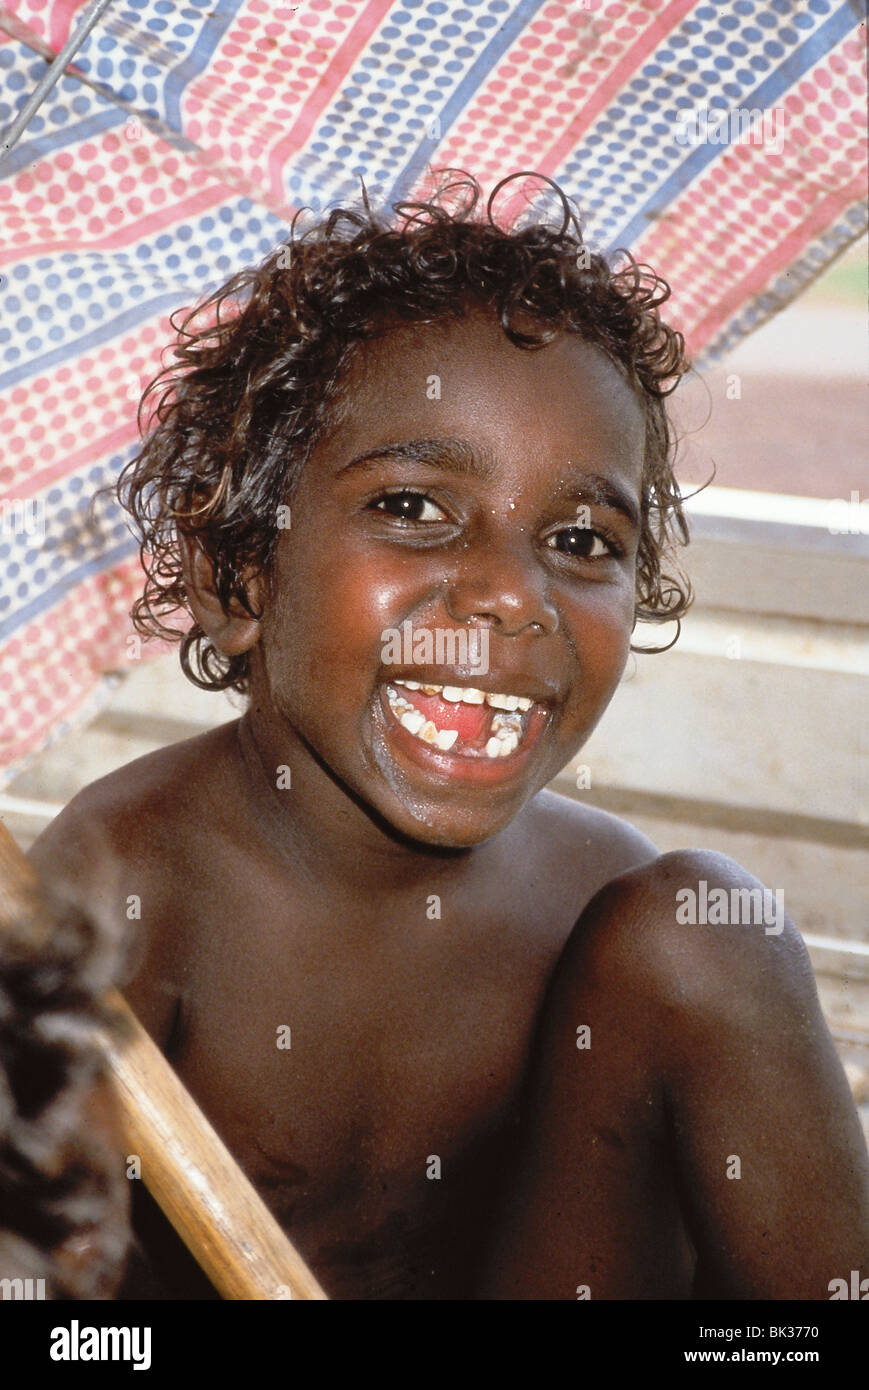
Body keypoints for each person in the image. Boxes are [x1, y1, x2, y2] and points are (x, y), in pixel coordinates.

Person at [29, 171, 869, 1299]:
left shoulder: (615, 919)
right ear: (239, 574)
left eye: (578, 538)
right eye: (413, 508)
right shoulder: (123, 897)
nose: (510, 597)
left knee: (710, 926)